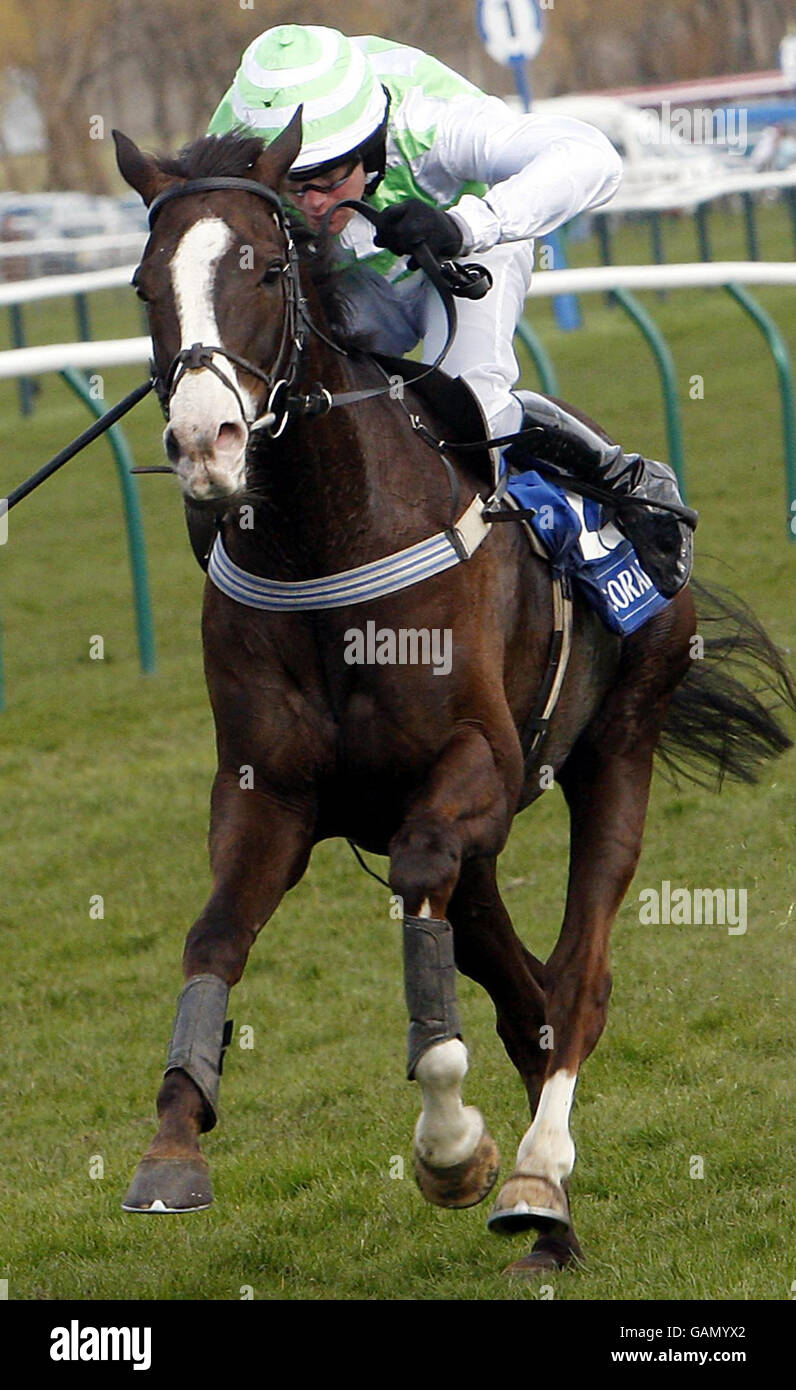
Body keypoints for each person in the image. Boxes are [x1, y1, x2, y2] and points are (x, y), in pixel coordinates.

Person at [208, 24, 694, 596]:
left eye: (331, 178)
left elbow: (592, 157)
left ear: (368, 145)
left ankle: (622, 476)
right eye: (295, 184)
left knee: (471, 412)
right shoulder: (234, 142)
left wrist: (465, 224)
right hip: (345, 280)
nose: (313, 203)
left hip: (463, 257)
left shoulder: (427, 118)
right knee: (294, 409)